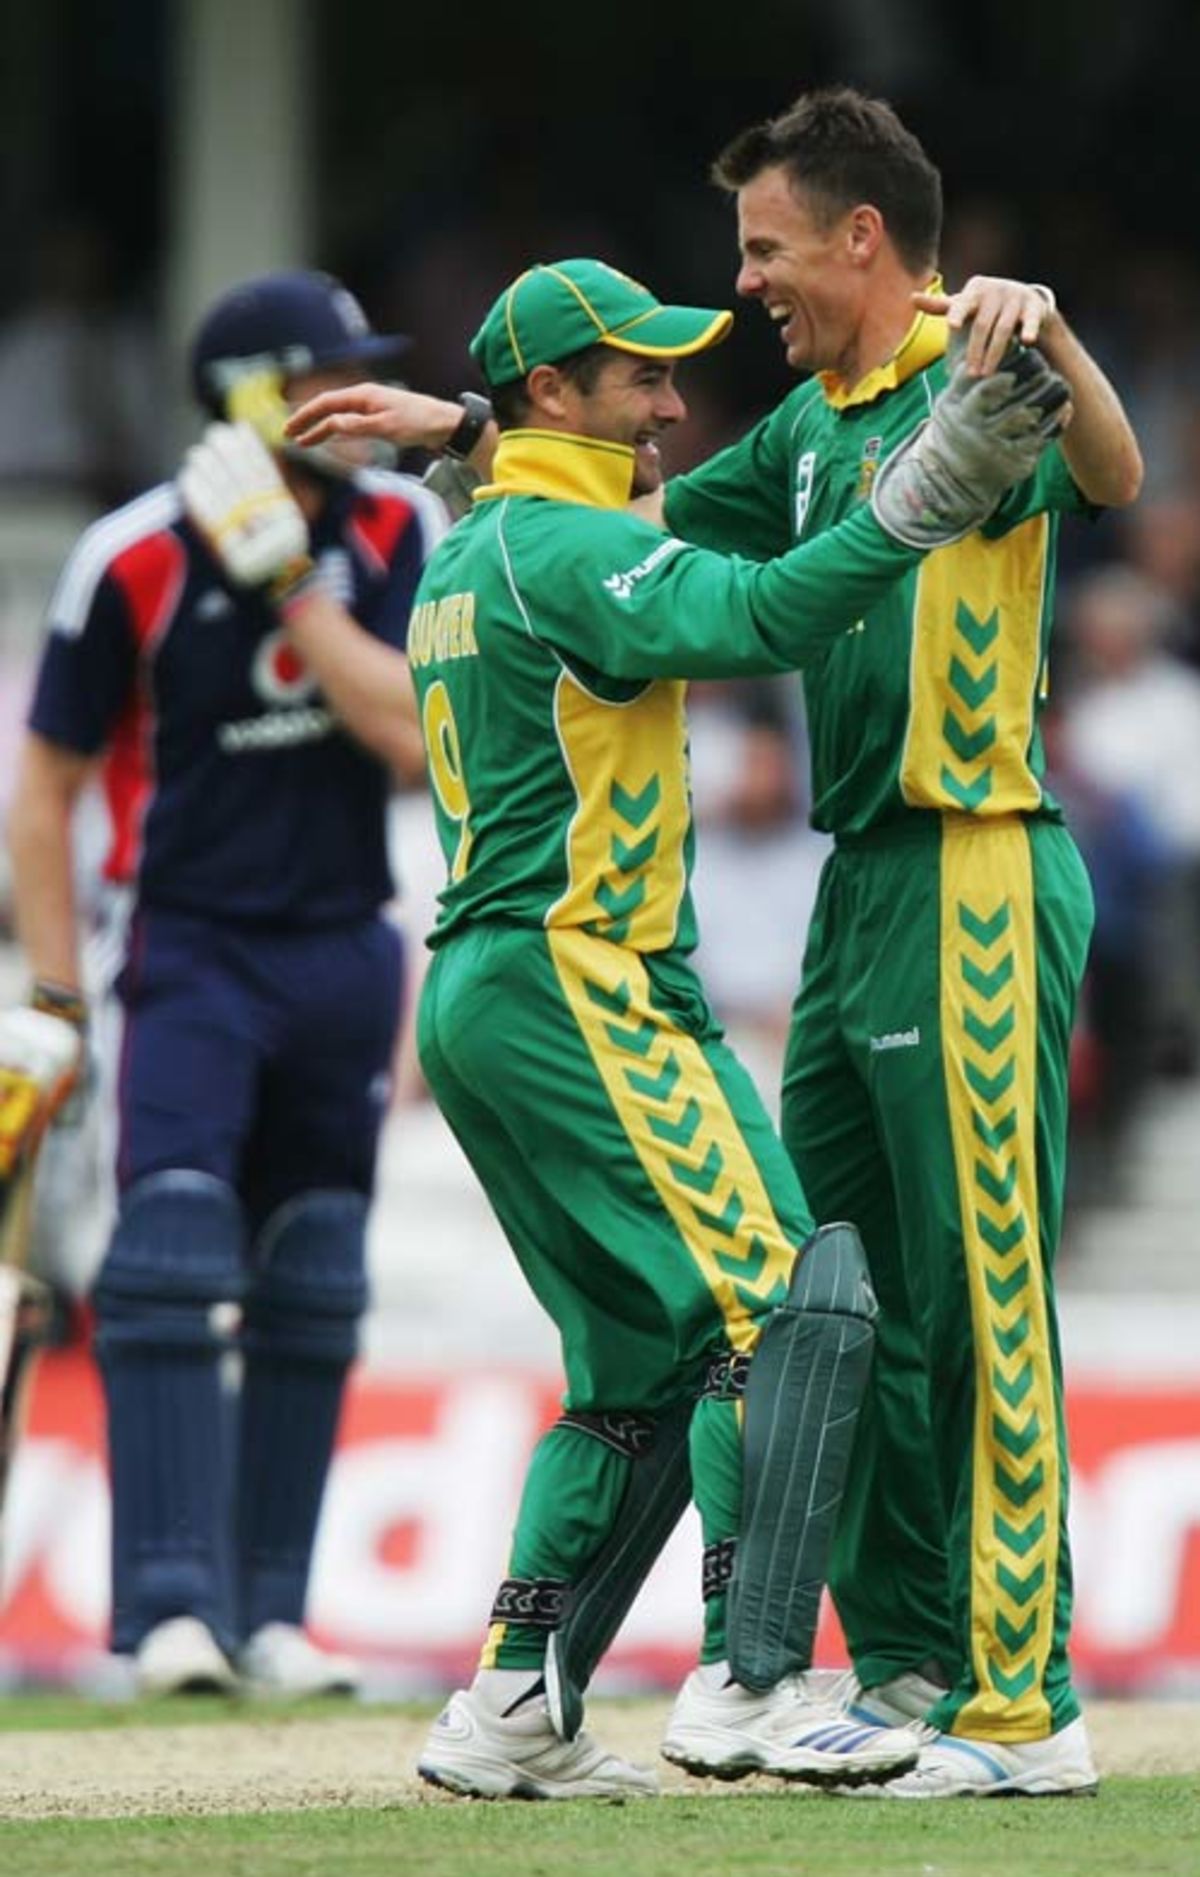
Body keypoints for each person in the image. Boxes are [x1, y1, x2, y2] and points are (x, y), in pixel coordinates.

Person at [283, 254, 1069, 1797]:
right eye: (638, 376)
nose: (672, 400)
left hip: (495, 988)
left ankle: (517, 1697)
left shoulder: (484, 545)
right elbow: (767, 609)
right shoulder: (564, 546)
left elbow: (632, 525)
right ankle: (751, 1678)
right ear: (557, 397)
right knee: (790, 1306)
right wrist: (916, 504)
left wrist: (463, 438)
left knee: (636, 1373)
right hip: (586, 973)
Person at [641, 87, 1141, 1797]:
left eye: (767, 252)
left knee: (982, 1289)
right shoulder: (801, 432)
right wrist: (476, 447)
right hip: (861, 891)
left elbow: (1115, 471)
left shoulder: (979, 360)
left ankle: (1029, 1707)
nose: (748, 288)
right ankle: (913, 1660)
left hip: (977, 865)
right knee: (840, 1297)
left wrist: (1053, 334)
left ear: (866, 238)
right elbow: (636, 537)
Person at [5, 267, 457, 1697]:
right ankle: (166, 1613)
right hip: (186, 944)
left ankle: (272, 1612)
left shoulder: (406, 526)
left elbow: (415, 740)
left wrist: (292, 585)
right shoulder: (131, 553)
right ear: (260, 396)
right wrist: (62, 995)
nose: (368, 403)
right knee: (171, 1256)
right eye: (333, 376)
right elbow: (46, 785)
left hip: (342, 939)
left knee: (314, 1274)